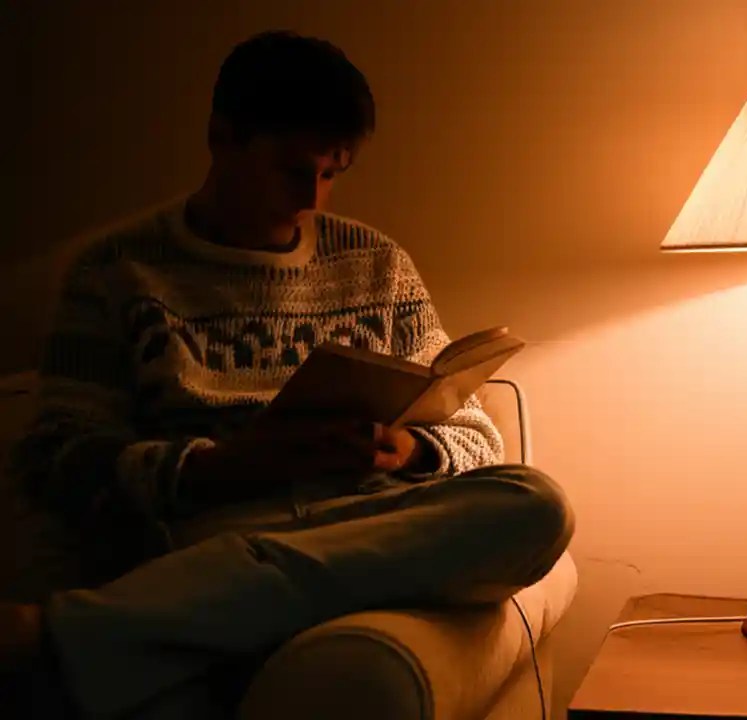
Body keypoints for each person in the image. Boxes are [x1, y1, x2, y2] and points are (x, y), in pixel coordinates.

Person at [0, 30, 573, 719]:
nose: (313, 197)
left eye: (333, 173)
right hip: (218, 523)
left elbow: (475, 432)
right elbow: (57, 459)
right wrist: (222, 466)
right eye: (293, 170)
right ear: (222, 138)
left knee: (535, 504)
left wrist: (410, 450)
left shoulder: (377, 264)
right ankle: (225, 600)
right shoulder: (116, 272)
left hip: (369, 515)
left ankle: (84, 632)